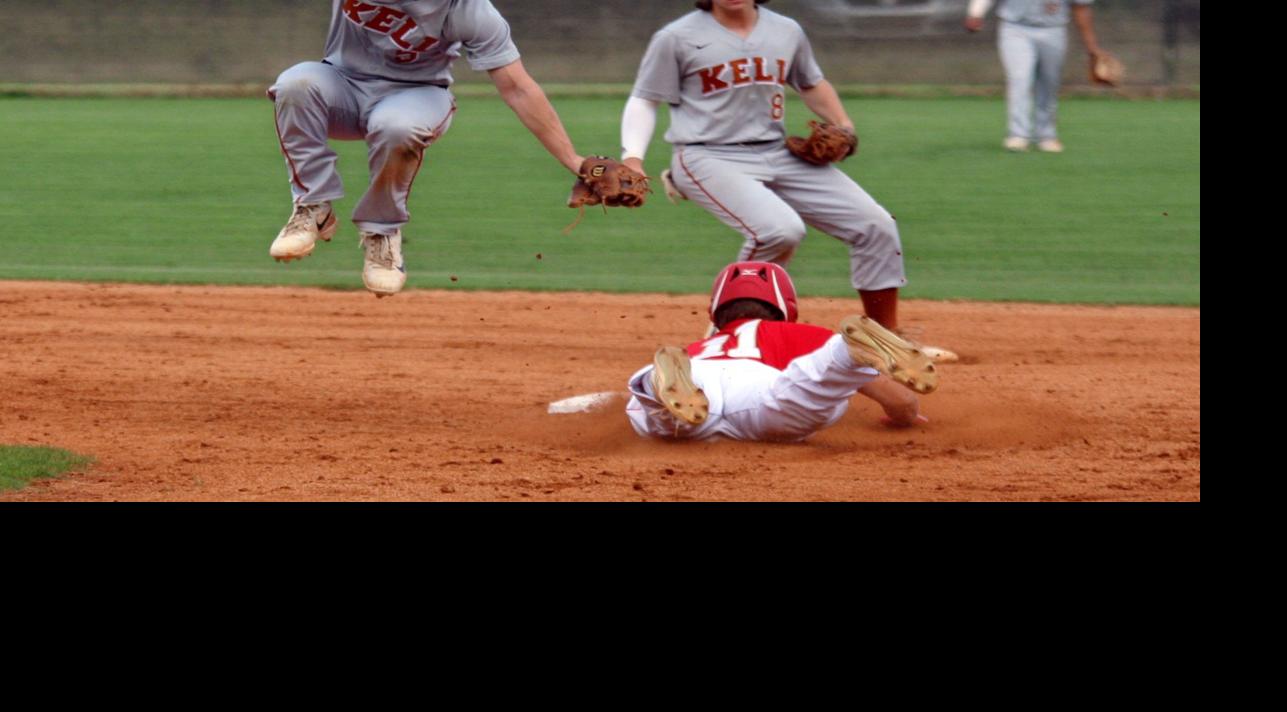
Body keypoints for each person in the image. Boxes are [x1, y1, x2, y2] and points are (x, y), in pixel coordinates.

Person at [620, 0, 909, 332]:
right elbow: (645, 98)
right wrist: (633, 157)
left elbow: (811, 83)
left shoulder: (785, 30)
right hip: (707, 155)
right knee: (779, 231)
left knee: (876, 226)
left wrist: (843, 124)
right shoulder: (676, 37)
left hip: (778, 152)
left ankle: (886, 340)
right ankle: (723, 338)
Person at [268, 0, 592, 297]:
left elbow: (518, 88)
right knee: (295, 85)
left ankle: (382, 233)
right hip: (342, 86)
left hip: (417, 93)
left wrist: (574, 161)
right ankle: (312, 207)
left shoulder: (467, 10)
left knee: (396, 126)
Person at [625, 262, 939, 443]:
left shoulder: (697, 348)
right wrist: (904, 417)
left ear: (715, 312)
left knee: (655, 420)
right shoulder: (799, 334)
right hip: (759, 393)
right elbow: (900, 401)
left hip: (700, 380)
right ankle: (845, 352)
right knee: (809, 389)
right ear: (787, 306)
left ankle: (651, 386)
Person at [965, 0, 1112, 152]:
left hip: (1053, 29)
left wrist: (1092, 47)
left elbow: (1081, 7)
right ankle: (1018, 135)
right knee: (1019, 79)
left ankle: (1046, 135)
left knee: (1049, 84)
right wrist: (976, 13)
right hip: (1015, 28)